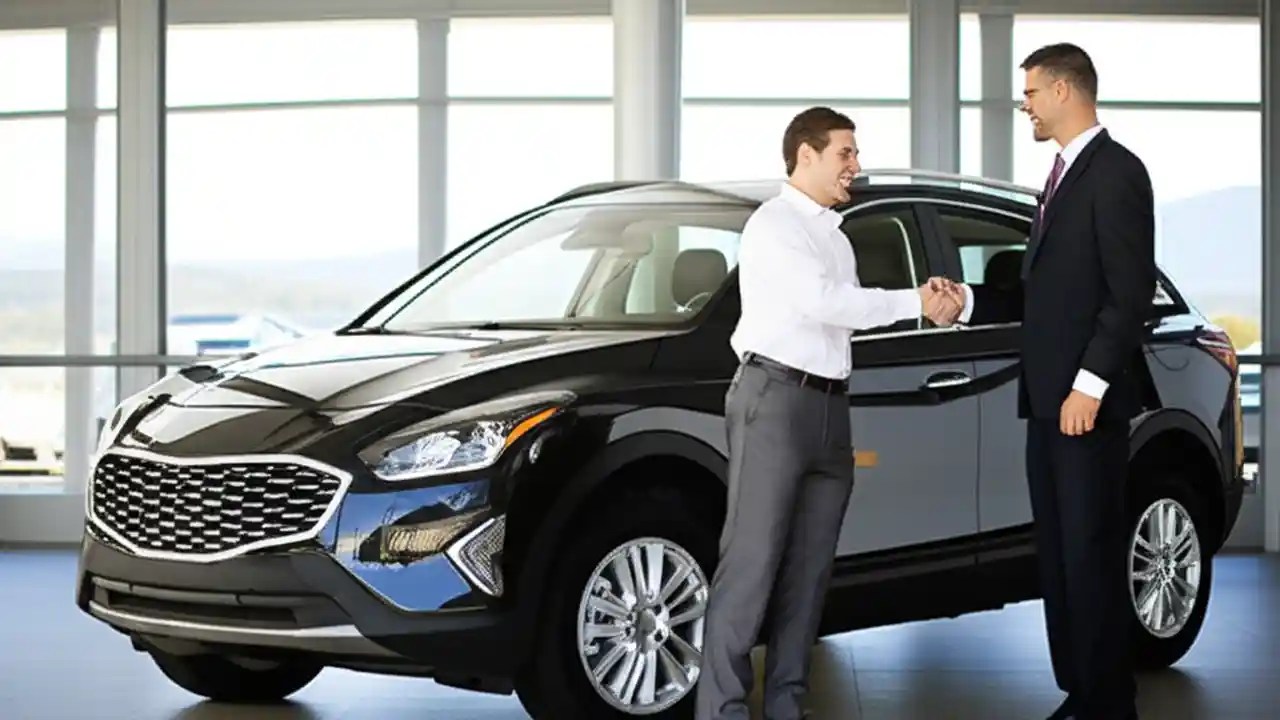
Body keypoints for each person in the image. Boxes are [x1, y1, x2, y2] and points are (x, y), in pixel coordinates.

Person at [695, 106, 960, 720]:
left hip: (829, 407)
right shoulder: (774, 225)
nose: (856, 166)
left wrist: (932, 306)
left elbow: (842, 316)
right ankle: (723, 711)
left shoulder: (836, 235)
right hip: (775, 400)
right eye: (846, 153)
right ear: (805, 155)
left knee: (811, 571)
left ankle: (789, 704)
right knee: (752, 563)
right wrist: (914, 302)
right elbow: (824, 303)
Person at [937, 43, 1154, 720]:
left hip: (1083, 406)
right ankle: (1083, 693)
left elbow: (1129, 294)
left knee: (1089, 556)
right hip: (1049, 404)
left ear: (1063, 90)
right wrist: (967, 302)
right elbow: (1044, 298)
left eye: (1029, 92)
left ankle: (1107, 701)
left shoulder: (1117, 173)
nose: (1023, 104)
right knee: (1060, 558)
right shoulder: (1060, 178)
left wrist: (1088, 387)